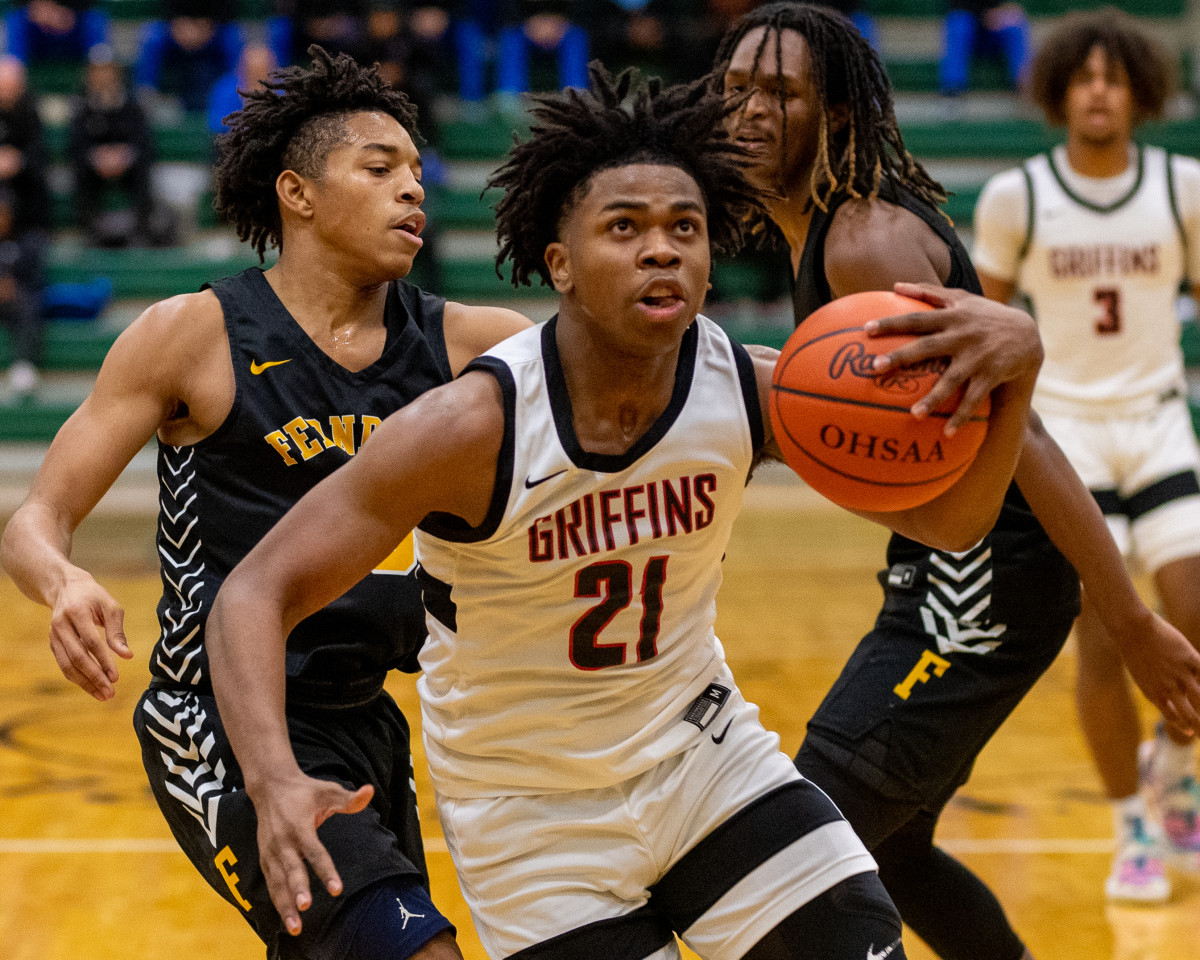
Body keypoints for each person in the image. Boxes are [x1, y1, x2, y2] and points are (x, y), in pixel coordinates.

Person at [203, 62, 1054, 960]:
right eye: (626, 227)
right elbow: (253, 594)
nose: (662, 249)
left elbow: (954, 527)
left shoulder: (753, 387)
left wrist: (1021, 368)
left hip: (704, 757)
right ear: (559, 264)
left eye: (684, 227)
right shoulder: (470, 428)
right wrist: (274, 780)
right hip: (530, 811)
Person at [1, 46, 529, 960]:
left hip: (370, 716)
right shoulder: (191, 336)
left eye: (416, 169)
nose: (414, 188)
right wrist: (61, 582)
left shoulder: (473, 346)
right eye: (379, 168)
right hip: (215, 721)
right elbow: (34, 518)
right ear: (298, 193)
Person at [715, 4, 1200, 958]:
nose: (751, 111)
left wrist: (1133, 621)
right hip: (947, 567)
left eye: (781, 93)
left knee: (816, 841)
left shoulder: (865, 243)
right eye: (735, 89)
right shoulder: (821, 228)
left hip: (986, 582)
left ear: (840, 114)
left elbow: (1026, 439)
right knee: (892, 851)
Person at [973, 9, 1200, 903]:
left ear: (1139, 91)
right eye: (1083, 77)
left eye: (1113, 77)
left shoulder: (1182, 187)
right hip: (1062, 436)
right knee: (1103, 640)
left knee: (1191, 618)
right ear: (1058, 90)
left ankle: (1173, 771)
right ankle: (1131, 828)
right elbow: (984, 331)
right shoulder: (1017, 196)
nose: (1098, 90)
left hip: (1157, 424)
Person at [68, 47, 162, 247]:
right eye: (97, 71)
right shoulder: (81, 106)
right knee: (80, 170)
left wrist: (125, 156)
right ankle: (89, 230)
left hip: (128, 165)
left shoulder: (131, 104)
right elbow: (76, 144)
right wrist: (96, 158)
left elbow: (143, 141)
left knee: (143, 169)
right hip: (94, 168)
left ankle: (142, 230)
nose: (102, 77)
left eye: (106, 71)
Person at [0, 54, 48, 396]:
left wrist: (19, 163)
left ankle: (25, 364)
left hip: (27, 227)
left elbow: (40, 164)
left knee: (27, 296)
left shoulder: (31, 117)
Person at [134, 0, 243, 114]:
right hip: (176, 26)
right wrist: (177, 23)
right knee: (152, 36)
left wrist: (206, 25)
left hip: (213, 27)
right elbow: (163, 5)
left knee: (233, 36)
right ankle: (146, 103)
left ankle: (234, 102)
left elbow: (230, 6)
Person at [939, 1, 1030, 98]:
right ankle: (953, 86)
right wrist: (984, 15)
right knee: (958, 23)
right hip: (968, 25)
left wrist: (1004, 12)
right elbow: (956, 6)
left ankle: (1024, 82)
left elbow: (1012, 6)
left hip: (995, 30)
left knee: (1015, 24)